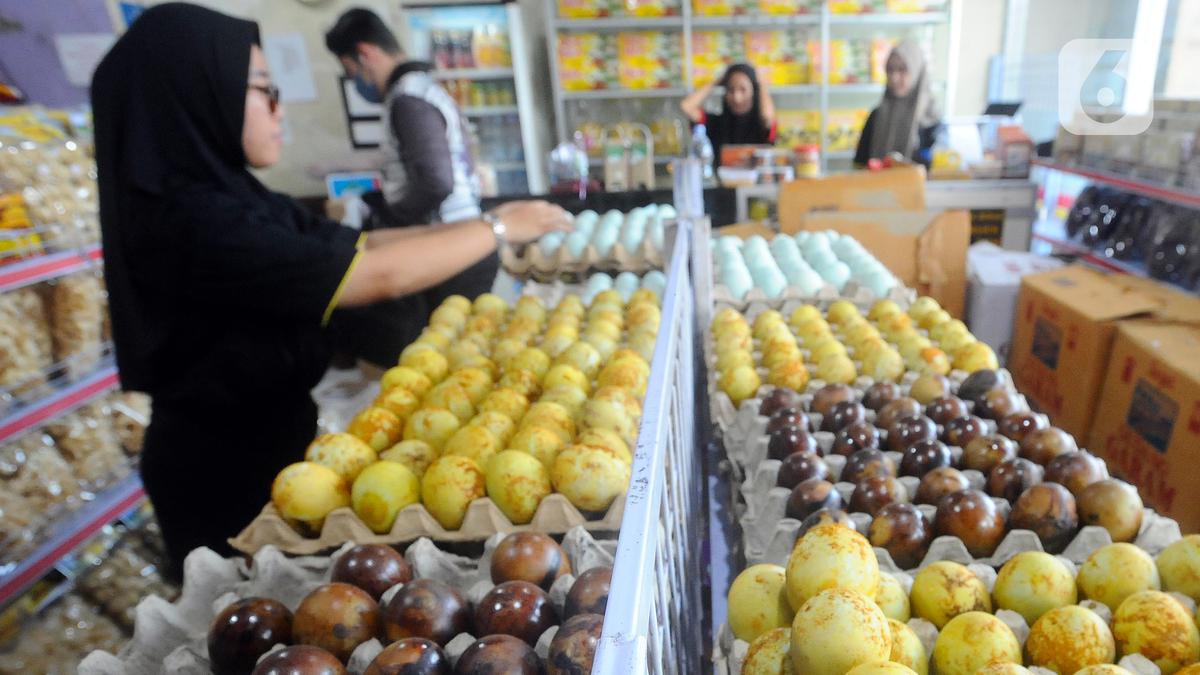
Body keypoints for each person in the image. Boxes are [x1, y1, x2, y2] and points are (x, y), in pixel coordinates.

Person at [91, 3, 568, 579]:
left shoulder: (237, 197)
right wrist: (496, 229)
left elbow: (356, 248)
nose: (279, 109)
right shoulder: (188, 220)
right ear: (195, 94)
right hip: (219, 470)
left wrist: (482, 224)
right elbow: (367, 276)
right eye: (264, 90)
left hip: (274, 438)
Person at [322, 9, 497, 368]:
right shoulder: (424, 90)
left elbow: (436, 180)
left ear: (365, 53)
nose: (355, 80)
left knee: (445, 363)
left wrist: (389, 216)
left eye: (351, 70)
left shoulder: (408, 99)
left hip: (448, 249)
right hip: (460, 241)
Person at [854, 41, 941, 167]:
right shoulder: (877, 116)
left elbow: (937, 168)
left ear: (916, 71)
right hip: (880, 185)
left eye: (902, 70)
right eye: (890, 70)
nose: (894, 78)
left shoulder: (931, 118)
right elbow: (860, 163)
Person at [680, 63, 777, 164]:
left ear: (754, 91)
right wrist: (716, 82)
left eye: (743, 90)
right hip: (721, 179)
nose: (736, 98)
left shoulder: (761, 125)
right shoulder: (715, 123)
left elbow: (768, 117)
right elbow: (686, 107)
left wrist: (761, 84)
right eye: (731, 90)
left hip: (756, 179)